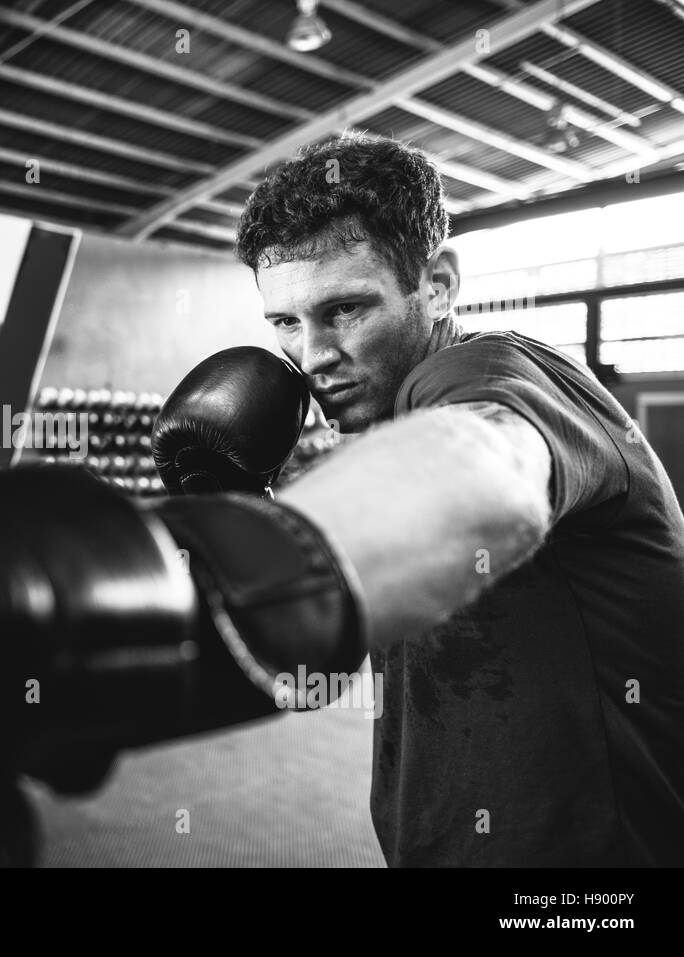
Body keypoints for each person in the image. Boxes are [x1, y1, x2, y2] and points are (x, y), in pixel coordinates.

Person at [232, 132, 684, 866]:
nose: (312, 357)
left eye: (344, 309)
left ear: (437, 283)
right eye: (286, 322)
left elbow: (486, 467)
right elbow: (316, 668)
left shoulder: (488, 372)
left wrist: (246, 563)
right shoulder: (391, 423)